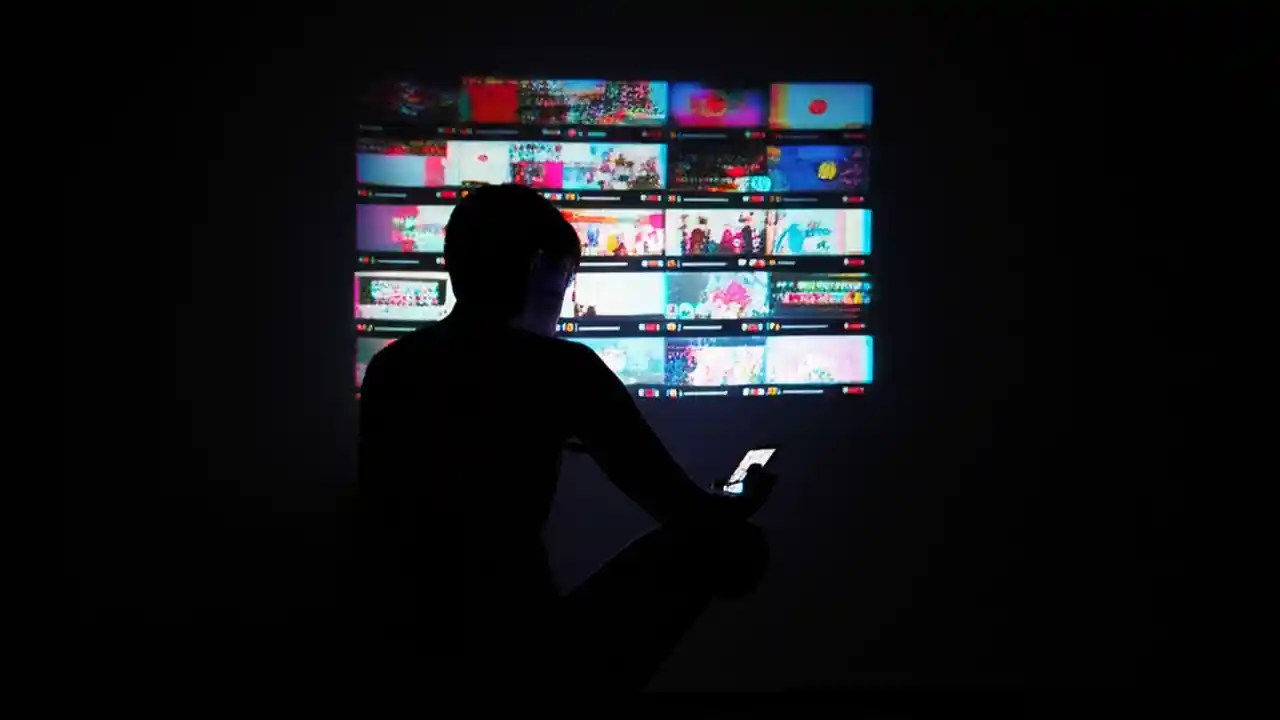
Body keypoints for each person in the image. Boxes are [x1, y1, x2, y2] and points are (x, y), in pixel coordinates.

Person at [357, 183, 776, 689]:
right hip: (523, 644)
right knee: (735, 546)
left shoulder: (391, 367)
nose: (565, 296)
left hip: (401, 648)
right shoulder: (561, 369)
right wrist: (738, 503)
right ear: (538, 266)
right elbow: (676, 505)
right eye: (567, 276)